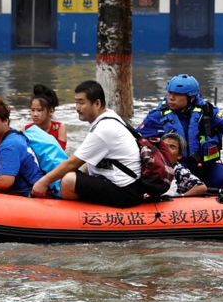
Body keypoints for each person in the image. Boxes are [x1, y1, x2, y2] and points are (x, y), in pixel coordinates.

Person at [136, 74, 223, 189]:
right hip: (174, 168)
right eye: (169, 93)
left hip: (205, 167)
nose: (171, 98)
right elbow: (139, 139)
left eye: (177, 95)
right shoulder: (157, 116)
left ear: (191, 97)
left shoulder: (207, 111)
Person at [31, 80, 145, 208]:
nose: (77, 108)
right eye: (76, 102)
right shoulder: (108, 117)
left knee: (68, 180)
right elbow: (86, 160)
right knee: (71, 174)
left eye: (81, 102)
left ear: (97, 103)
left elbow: (73, 162)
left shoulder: (104, 128)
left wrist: (43, 182)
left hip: (125, 190)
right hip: (128, 184)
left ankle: (75, 212)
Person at [0, 97, 43, 196]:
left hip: (30, 195)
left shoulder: (9, 145)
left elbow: (6, 181)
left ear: (5, 121)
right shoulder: (11, 136)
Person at [24, 84, 67, 150]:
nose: (35, 114)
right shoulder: (26, 130)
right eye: (32, 110)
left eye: (39, 110)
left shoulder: (60, 128)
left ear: (51, 111)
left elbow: (60, 152)